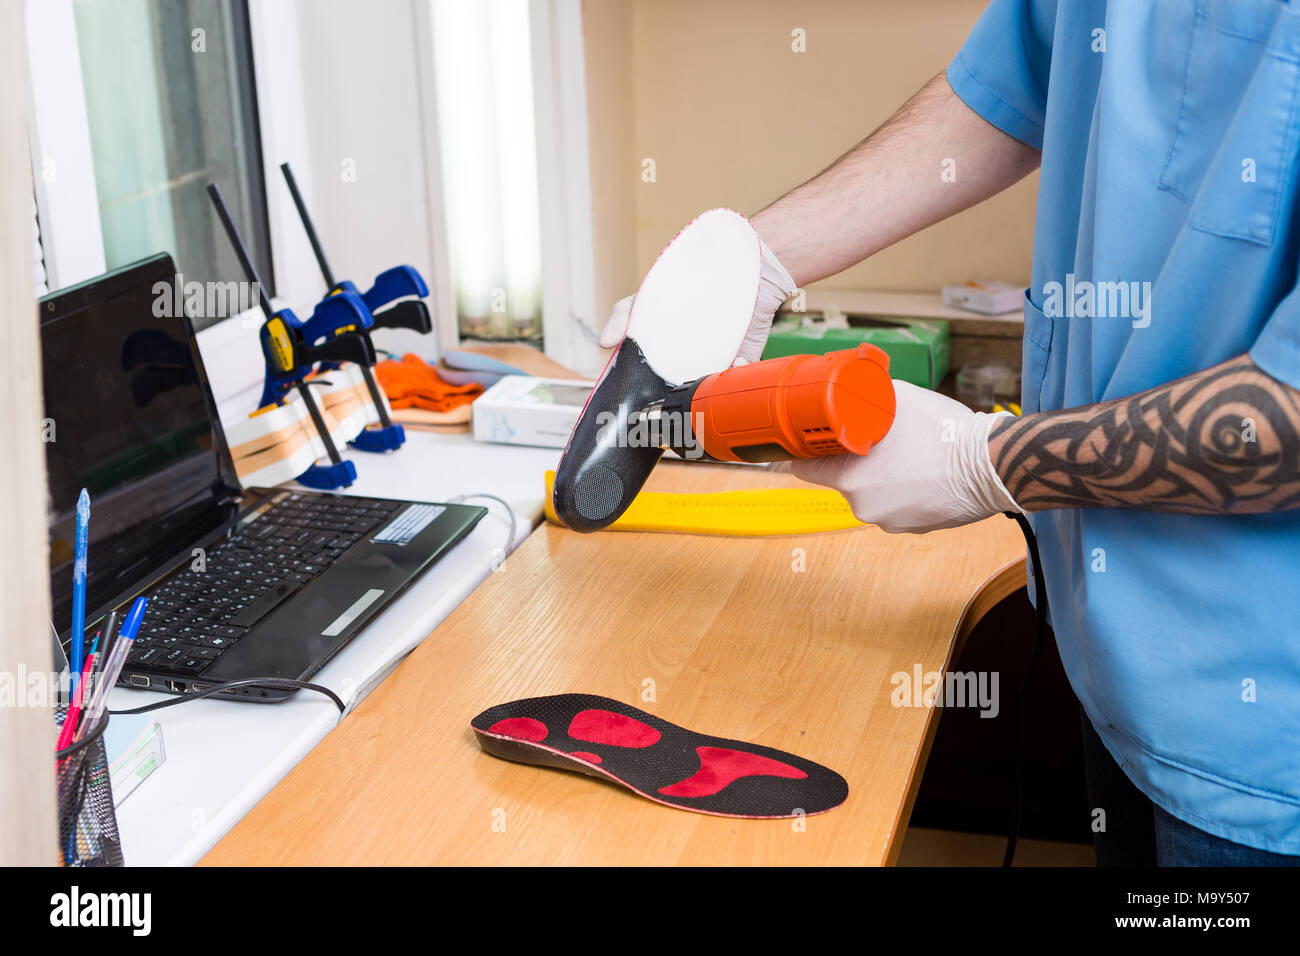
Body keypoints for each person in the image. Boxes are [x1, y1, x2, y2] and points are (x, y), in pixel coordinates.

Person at [601, 0, 1300, 866]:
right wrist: (757, 259)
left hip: (1266, 748)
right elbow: (1003, 96)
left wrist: (984, 463)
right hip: (1116, 667)